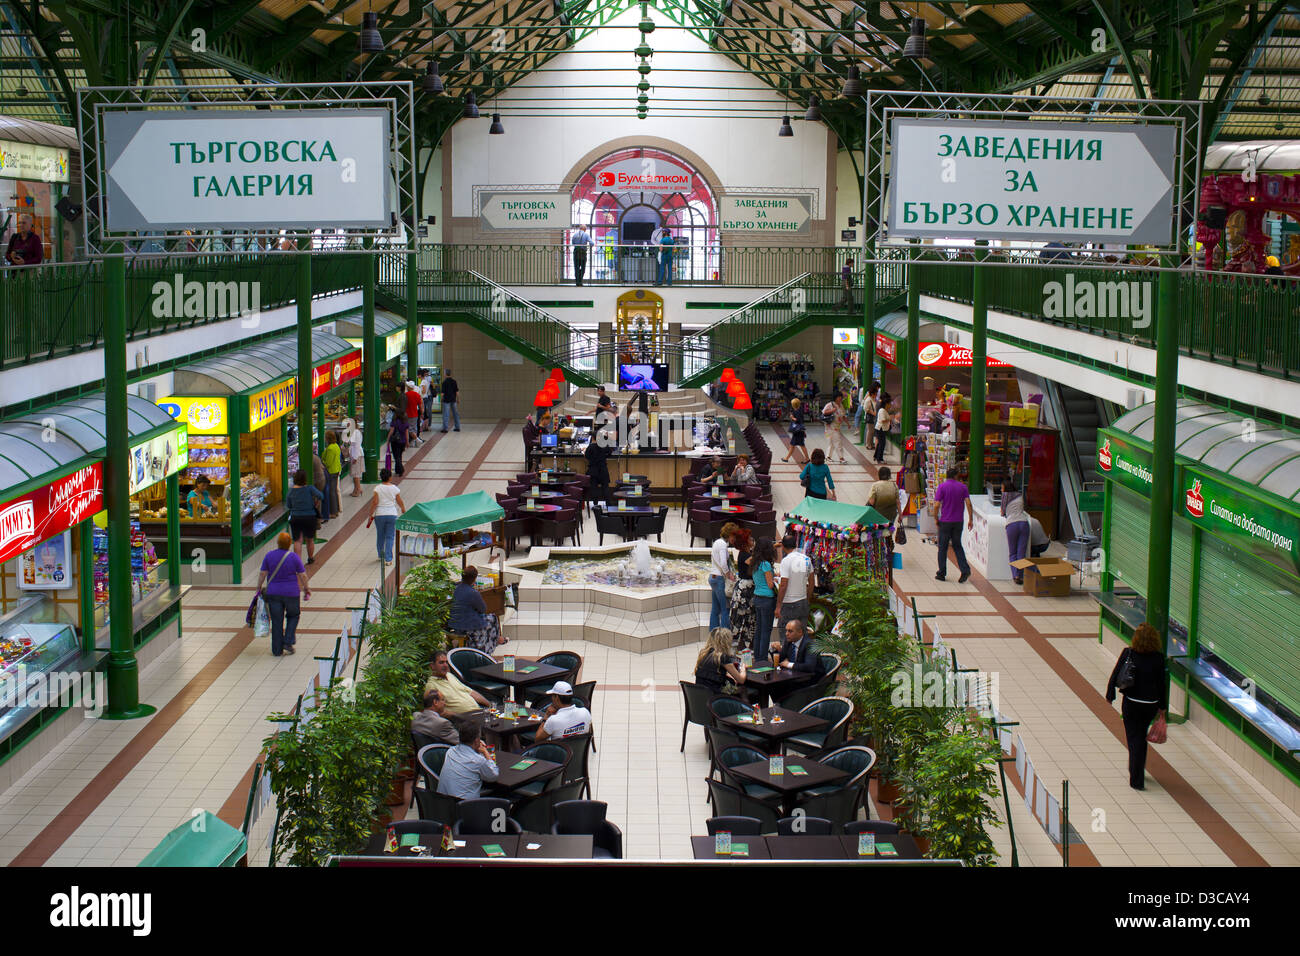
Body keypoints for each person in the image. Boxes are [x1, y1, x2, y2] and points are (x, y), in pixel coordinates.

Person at [1105, 623, 1168, 791]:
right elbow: (1162, 685)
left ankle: (1136, 777)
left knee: (1134, 738)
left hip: (1132, 703)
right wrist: (1162, 708)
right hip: (1150, 705)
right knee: (1139, 736)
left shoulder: (1129, 653)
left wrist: (1110, 695)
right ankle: (1136, 768)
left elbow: (1116, 673)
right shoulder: (1158, 658)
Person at [256, 531, 311, 657]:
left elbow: (262, 574)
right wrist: (307, 589)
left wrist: (258, 587)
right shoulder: (293, 557)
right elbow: (302, 575)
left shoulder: (269, 556)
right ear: (289, 543)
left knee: (276, 621)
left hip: (273, 593)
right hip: (291, 593)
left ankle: (276, 650)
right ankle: (288, 640)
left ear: (278, 543)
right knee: (293, 615)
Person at [436, 717, 499, 800]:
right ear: (477, 741)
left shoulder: (450, 752)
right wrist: (486, 752)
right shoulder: (478, 760)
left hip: (442, 804)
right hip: (464, 807)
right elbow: (493, 775)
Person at [449, 566, 505, 653]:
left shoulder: (456, 588)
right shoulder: (473, 593)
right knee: (492, 618)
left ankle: (496, 639)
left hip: (455, 623)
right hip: (467, 626)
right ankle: (489, 645)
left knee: (488, 619)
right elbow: (483, 609)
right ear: (474, 579)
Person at [934, 467, 974, 583]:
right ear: (956, 475)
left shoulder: (942, 487)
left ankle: (941, 573)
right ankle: (965, 570)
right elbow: (968, 503)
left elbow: (936, 505)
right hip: (958, 522)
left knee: (942, 547)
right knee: (957, 545)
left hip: (945, 521)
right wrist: (970, 519)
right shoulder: (963, 487)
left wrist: (936, 518)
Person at [425, 649, 494, 713]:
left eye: (446, 662)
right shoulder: (431, 685)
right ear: (432, 666)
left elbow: (471, 692)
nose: (445, 665)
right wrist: (458, 717)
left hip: (478, 711)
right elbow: (434, 712)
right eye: (441, 662)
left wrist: (490, 705)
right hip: (463, 719)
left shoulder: (450, 676)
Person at [366, 467, 406, 564]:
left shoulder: (377, 488)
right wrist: (403, 509)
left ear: (381, 477)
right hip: (392, 514)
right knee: (390, 537)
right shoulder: (394, 488)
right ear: (390, 477)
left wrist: (370, 514)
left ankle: (381, 555)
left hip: (379, 515)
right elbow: (399, 500)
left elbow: (375, 502)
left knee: (380, 536)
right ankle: (388, 559)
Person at [776, 532, 813, 631]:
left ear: (783, 546)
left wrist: (778, 605)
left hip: (789, 603)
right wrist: (807, 599)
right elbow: (812, 582)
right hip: (803, 600)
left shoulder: (786, 561)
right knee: (800, 633)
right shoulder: (807, 559)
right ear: (796, 545)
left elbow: (783, 584)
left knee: (786, 634)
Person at [694, 627, 748, 696]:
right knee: (743, 689)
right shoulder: (723, 657)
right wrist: (743, 668)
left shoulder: (704, 653)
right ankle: (745, 706)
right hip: (716, 696)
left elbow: (712, 671)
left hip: (701, 695)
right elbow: (741, 680)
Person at [285, 469, 324, 564]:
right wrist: (316, 503)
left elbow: (288, 505)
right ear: (305, 479)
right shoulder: (310, 488)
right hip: (309, 517)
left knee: (297, 541)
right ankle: (310, 558)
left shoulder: (291, 491)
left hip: (295, 517)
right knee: (310, 539)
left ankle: (298, 562)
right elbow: (321, 496)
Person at [728, 527, 756, 653]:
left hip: (745, 590)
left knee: (744, 620)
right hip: (745, 592)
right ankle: (739, 648)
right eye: (750, 539)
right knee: (742, 619)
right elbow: (756, 563)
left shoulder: (745, 554)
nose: (752, 540)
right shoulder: (745, 555)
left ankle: (742, 648)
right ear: (745, 542)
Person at [751, 537, 779, 660]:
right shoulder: (766, 564)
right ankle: (762, 659)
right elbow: (770, 585)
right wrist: (775, 579)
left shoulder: (755, 563)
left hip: (757, 598)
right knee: (766, 631)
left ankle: (757, 656)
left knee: (759, 630)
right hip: (767, 600)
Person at [1001, 479, 1030, 584]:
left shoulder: (1005, 496)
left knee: (1013, 552)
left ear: (1005, 488)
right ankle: (1021, 576)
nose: (1001, 489)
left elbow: (1002, 512)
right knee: (1021, 552)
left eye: (1002, 487)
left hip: (1011, 524)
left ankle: (1016, 575)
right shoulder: (1020, 495)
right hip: (1024, 523)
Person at [709, 522, 737, 631]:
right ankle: (725, 636)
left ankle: (713, 634)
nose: (734, 539)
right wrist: (728, 575)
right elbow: (723, 563)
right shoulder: (722, 545)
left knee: (715, 609)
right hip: (719, 578)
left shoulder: (717, 542)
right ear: (729, 534)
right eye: (734, 536)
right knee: (725, 609)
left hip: (713, 577)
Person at [584, 425, 614, 503]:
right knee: (605, 488)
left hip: (593, 470)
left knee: (594, 488)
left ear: (593, 438)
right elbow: (610, 452)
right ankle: (608, 504)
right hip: (603, 469)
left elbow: (587, 456)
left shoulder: (590, 447)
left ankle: (595, 505)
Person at [322, 430, 342, 521]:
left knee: (331, 492)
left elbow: (328, 463)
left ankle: (333, 512)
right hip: (337, 470)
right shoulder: (336, 446)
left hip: (331, 472)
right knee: (334, 491)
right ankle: (336, 510)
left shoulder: (330, 448)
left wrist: (322, 462)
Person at [822, 391, 848, 463]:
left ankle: (828, 457)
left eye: (841, 397)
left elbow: (843, 416)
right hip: (830, 427)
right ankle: (841, 458)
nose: (840, 398)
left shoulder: (841, 405)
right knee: (838, 441)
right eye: (839, 397)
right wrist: (832, 410)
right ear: (835, 398)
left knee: (832, 443)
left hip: (837, 427)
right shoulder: (830, 405)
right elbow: (824, 412)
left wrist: (848, 423)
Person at [782, 398, 809, 464]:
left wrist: (792, 418)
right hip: (799, 431)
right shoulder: (799, 409)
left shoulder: (797, 411)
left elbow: (798, 420)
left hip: (798, 431)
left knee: (796, 445)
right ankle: (787, 458)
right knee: (795, 445)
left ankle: (787, 458)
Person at [343, 418, 364, 496]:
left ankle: (358, 490)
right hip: (355, 454)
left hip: (357, 455)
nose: (347, 425)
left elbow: (357, 446)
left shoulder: (356, 432)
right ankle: (356, 489)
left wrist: (355, 457)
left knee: (356, 474)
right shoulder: (353, 432)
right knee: (355, 473)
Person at [386, 410, 410, 476]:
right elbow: (406, 433)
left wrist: (388, 440)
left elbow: (391, 431)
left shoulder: (394, 422)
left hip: (395, 441)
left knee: (396, 457)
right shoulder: (405, 423)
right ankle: (397, 470)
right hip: (403, 442)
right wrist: (407, 442)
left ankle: (401, 470)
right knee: (399, 455)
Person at [873, 392, 894, 464]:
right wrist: (890, 419)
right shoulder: (882, 410)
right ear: (886, 404)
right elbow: (882, 420)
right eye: (889, 404)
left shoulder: (884, 410)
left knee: (880, 443)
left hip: (882, 429)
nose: (890, 405)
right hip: (880, 429)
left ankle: (876, 456)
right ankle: (879, 459)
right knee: (882, 444)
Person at [859, 381, 880, 448]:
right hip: (870, 417)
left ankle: (870, 444)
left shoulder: (873, 398)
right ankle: (868, 444)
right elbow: (865, 407)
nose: (877, 394)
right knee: (869, 431)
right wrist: (873, 413)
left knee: (871, 431)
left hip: (872, 417)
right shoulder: (868, 398)